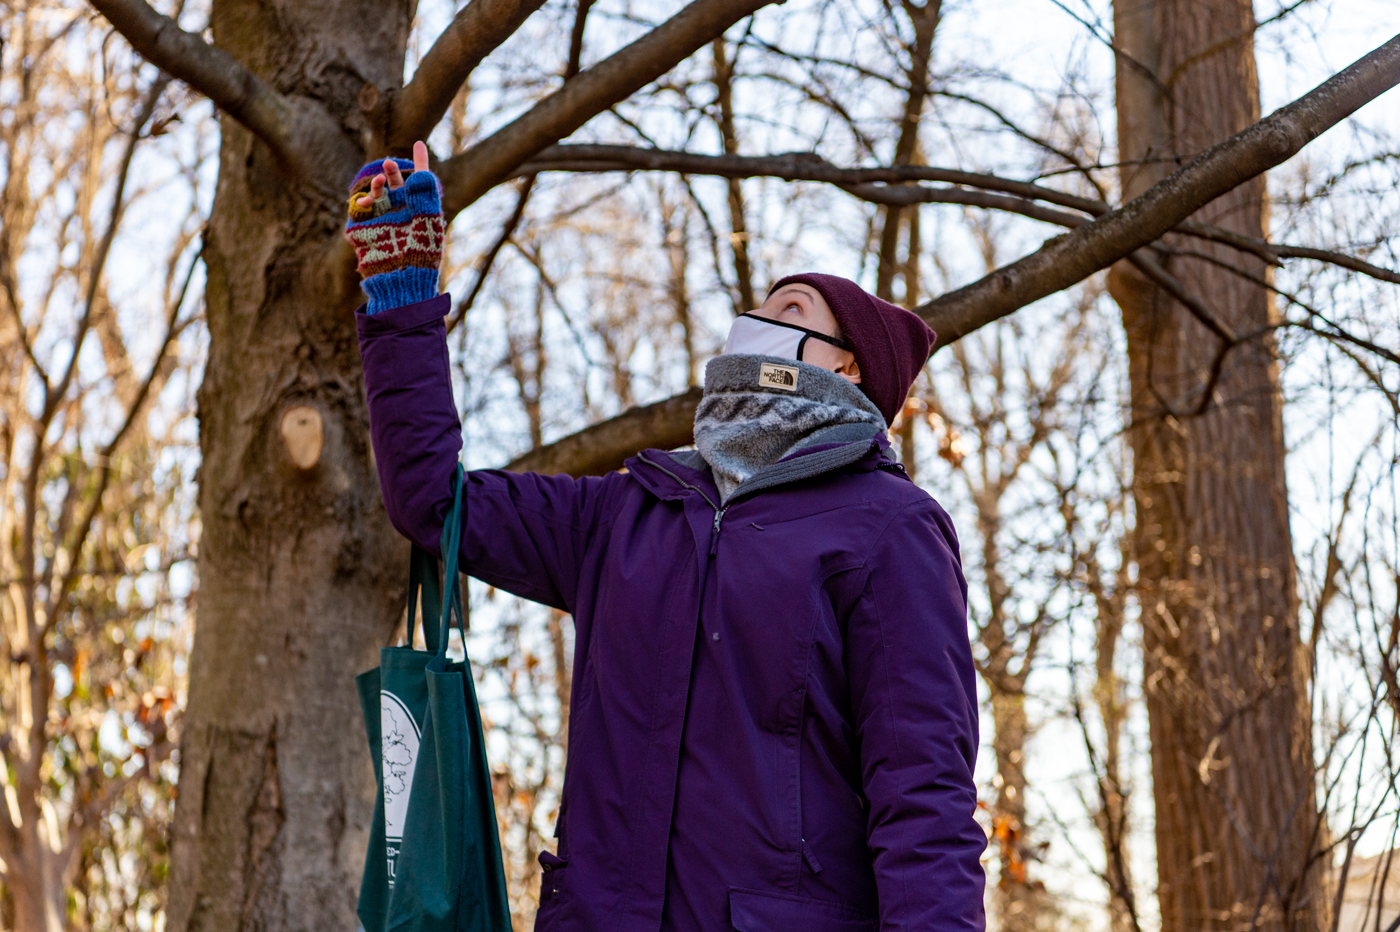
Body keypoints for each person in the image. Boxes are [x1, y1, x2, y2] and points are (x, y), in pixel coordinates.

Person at [347, 143, 986, 932]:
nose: (758, 321)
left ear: (849, 368)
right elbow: (433, 505)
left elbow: (925, 795)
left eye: (790, 312)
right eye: (758, 308)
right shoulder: (626, 513)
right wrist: (400, 296)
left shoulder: (889, 527)